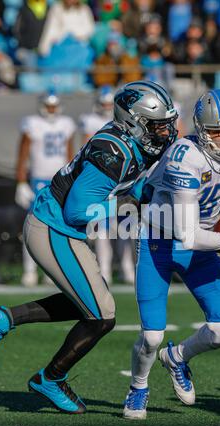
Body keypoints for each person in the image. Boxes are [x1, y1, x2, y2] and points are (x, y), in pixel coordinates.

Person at [0, 81, 179, 414]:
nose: (165, 131)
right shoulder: (114, 151)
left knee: (89, 306)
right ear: (133, 122)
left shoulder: (136, 141)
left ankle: (3, 319)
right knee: (102, 315)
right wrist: (129, 203)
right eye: (157, 124)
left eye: (167, 123)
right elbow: (76, 210)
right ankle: (50, 378)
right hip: (53, 227)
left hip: (63, 228)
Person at [123, 89, 220, 420]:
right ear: (201, 128)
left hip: (204, 234)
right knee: (152, 336)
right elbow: (189, 236)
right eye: (217, 131)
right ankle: (138, 386)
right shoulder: (185, 157)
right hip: (163, 240)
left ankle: (178, 357)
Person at [15, 93, 76, 287]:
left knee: (58, 224)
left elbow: (70, 154)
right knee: (33, 223)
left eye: (54, 106)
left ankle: (51, 271)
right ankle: (30, 270)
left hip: (59, 179)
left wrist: (72, 180)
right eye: (48, 106)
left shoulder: (66, 123)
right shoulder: (32, 123)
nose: (51, 110)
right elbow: (23, 153)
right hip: (38, 180)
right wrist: (21, 181)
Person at [79, 86, 135, 284]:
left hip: (122, 180)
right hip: (101, 180)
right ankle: (104, 270)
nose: (106, 108)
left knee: (124, 226)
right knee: (101, 227)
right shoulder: (91, 121)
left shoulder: (127, 123)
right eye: (104, 104)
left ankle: (127, 268)